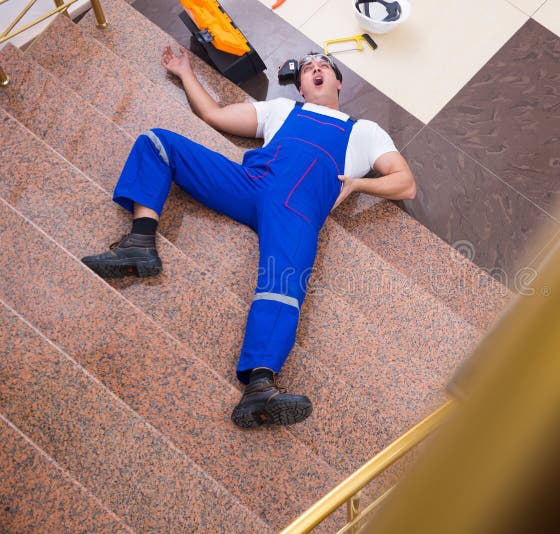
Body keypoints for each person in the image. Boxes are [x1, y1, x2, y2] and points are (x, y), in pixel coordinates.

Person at [81, 45, 416, 429]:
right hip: (250, 184)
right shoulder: (281, 109)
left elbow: (405, 184)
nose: (316, 70)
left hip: (295, 209)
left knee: (282, 287)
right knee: (158, 143)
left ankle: (260, 385)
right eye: (308, 69)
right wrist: (185, 71)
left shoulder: (365, 132)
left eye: (324, 66)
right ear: (302, 87)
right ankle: (139, 244)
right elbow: (214, 115)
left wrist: (358, 184)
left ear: (338, 82)